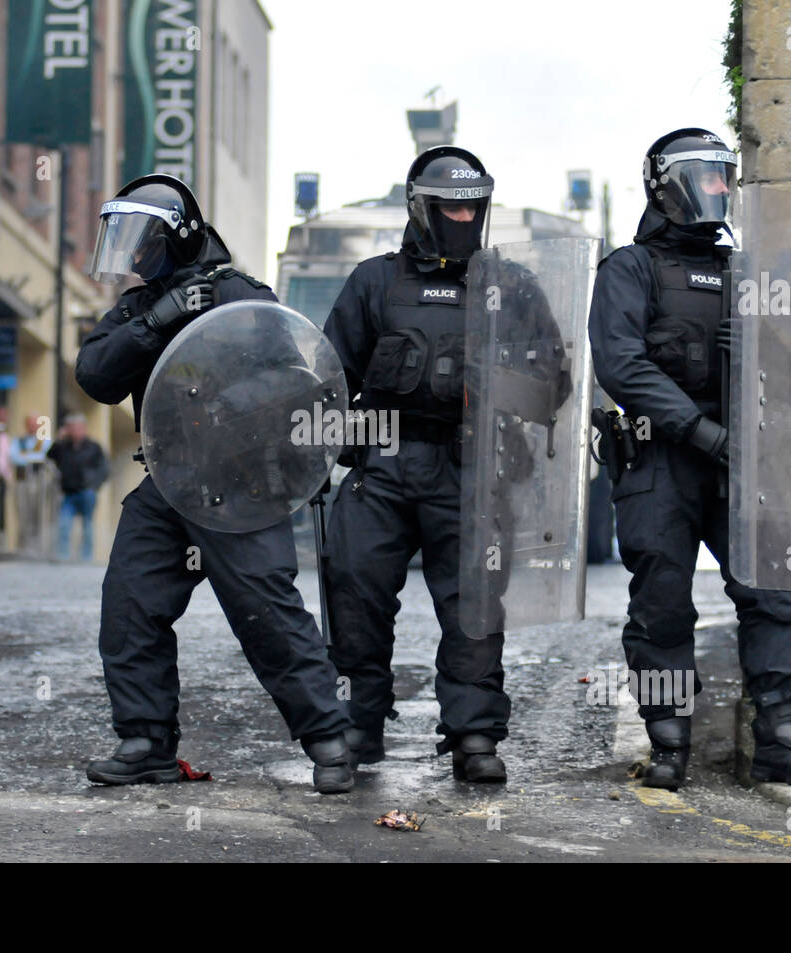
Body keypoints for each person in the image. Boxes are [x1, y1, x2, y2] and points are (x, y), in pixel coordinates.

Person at [75, 174, 354, 793]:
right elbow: (95, 374)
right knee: (130, 605)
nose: (134, 256)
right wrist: (155, 324)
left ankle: (330, 740)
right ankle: (146, 741)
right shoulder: (139, 306)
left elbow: (298, 376)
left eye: (143, 241)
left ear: (176, 239)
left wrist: (229, 406)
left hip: (239, 480)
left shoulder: (239, 295)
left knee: (266, 614)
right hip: (167, 479)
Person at [586, 127, 791, 791]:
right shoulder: (630, 268)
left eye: (727, 175)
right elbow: (622, 364)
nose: (721, 187)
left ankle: (782, 736)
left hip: (741, 460)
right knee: (663, 602)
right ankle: (668, 740)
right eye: (708, 175)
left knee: (774, 592)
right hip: (663, 459)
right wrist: (698, 431)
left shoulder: (746, 271)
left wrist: (762, 347)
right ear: (669, 183)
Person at [322, 146, 521, 783]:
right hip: (381, 464)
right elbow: (326, 378)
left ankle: (473, 736)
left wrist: (498, 383)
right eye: (451, 205)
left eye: (473, 205)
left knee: (475, 606)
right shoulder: (374, 281)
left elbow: (554, 383)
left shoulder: (509, 287)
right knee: (354, 592)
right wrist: (328, 445)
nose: (463, 215)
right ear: (421, 208)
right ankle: (356, 727)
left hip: (470, 473)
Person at [46, 414, 106, 562]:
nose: (75, 431)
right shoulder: (63, 447)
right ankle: (63, 555)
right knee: (64, 524)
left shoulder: (94, 447)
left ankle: (86, 557)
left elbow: (104, 469)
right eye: (71, 428)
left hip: (87, 492)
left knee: (87, 525)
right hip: (68, 493)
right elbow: (49, 455)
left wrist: (93, 485)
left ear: (84, 429)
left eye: (78, 427)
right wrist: (59, 439)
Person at [11, 413, 53, 555]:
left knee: (38, 513)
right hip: (22, 480)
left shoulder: (44, 441)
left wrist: (27, 456)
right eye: (30, 423)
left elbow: (45, 456)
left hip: (38, 479)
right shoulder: (19, 441)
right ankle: (22, 547)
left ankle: (38, 548)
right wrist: (33, 456)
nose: (33, 426)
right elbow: (15, 457)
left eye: (35, 423)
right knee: (23, 513)